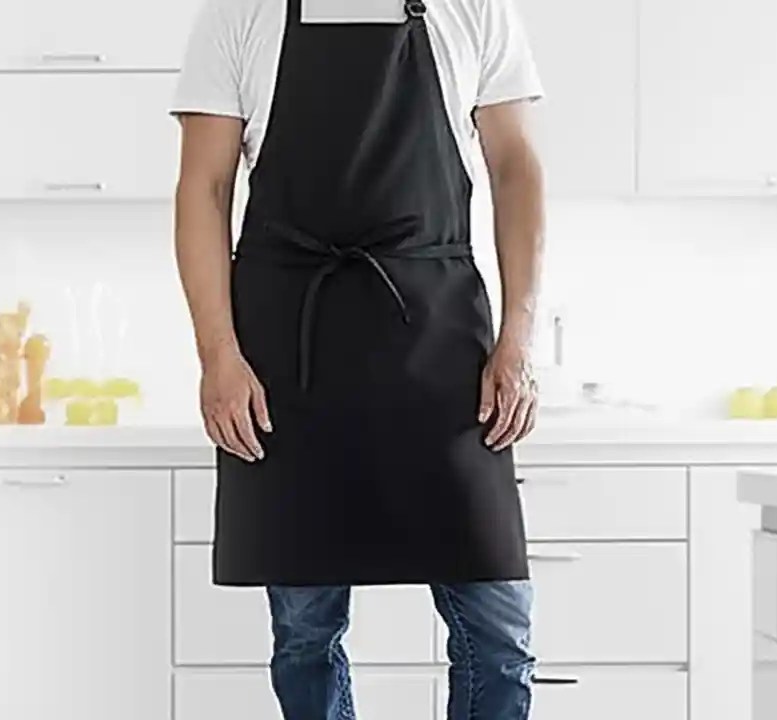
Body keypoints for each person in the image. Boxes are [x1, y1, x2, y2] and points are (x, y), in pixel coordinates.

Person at [172, 0, 545, 715]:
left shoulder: (473, 7)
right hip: (288, 352)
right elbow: (204, 186)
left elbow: (517, 168)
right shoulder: (239, 13)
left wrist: (518, 338)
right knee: (305, 634)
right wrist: (218, 355)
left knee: (500, 631)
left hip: (443, 347)